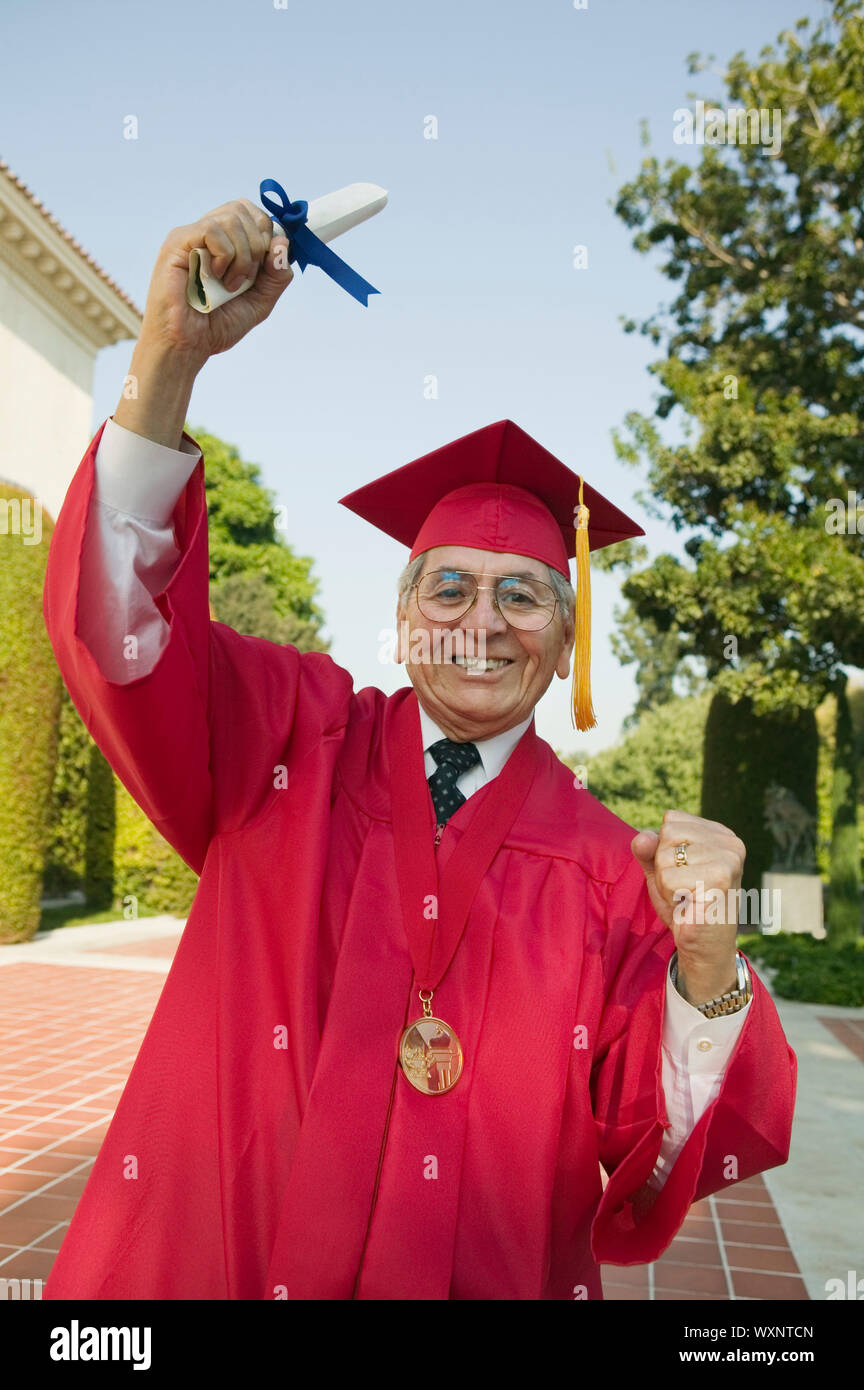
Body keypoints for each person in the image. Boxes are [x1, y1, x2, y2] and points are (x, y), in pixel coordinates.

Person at [41, 198, 796, 1301]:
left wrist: (711, 959)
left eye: (525, 595)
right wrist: (166, 365)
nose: (483, 622)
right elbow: (124, 636)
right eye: (450, 584)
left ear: (567, 640)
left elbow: (663, 1139)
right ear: (404, 613)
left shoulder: (606, 872)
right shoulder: (287, 738)